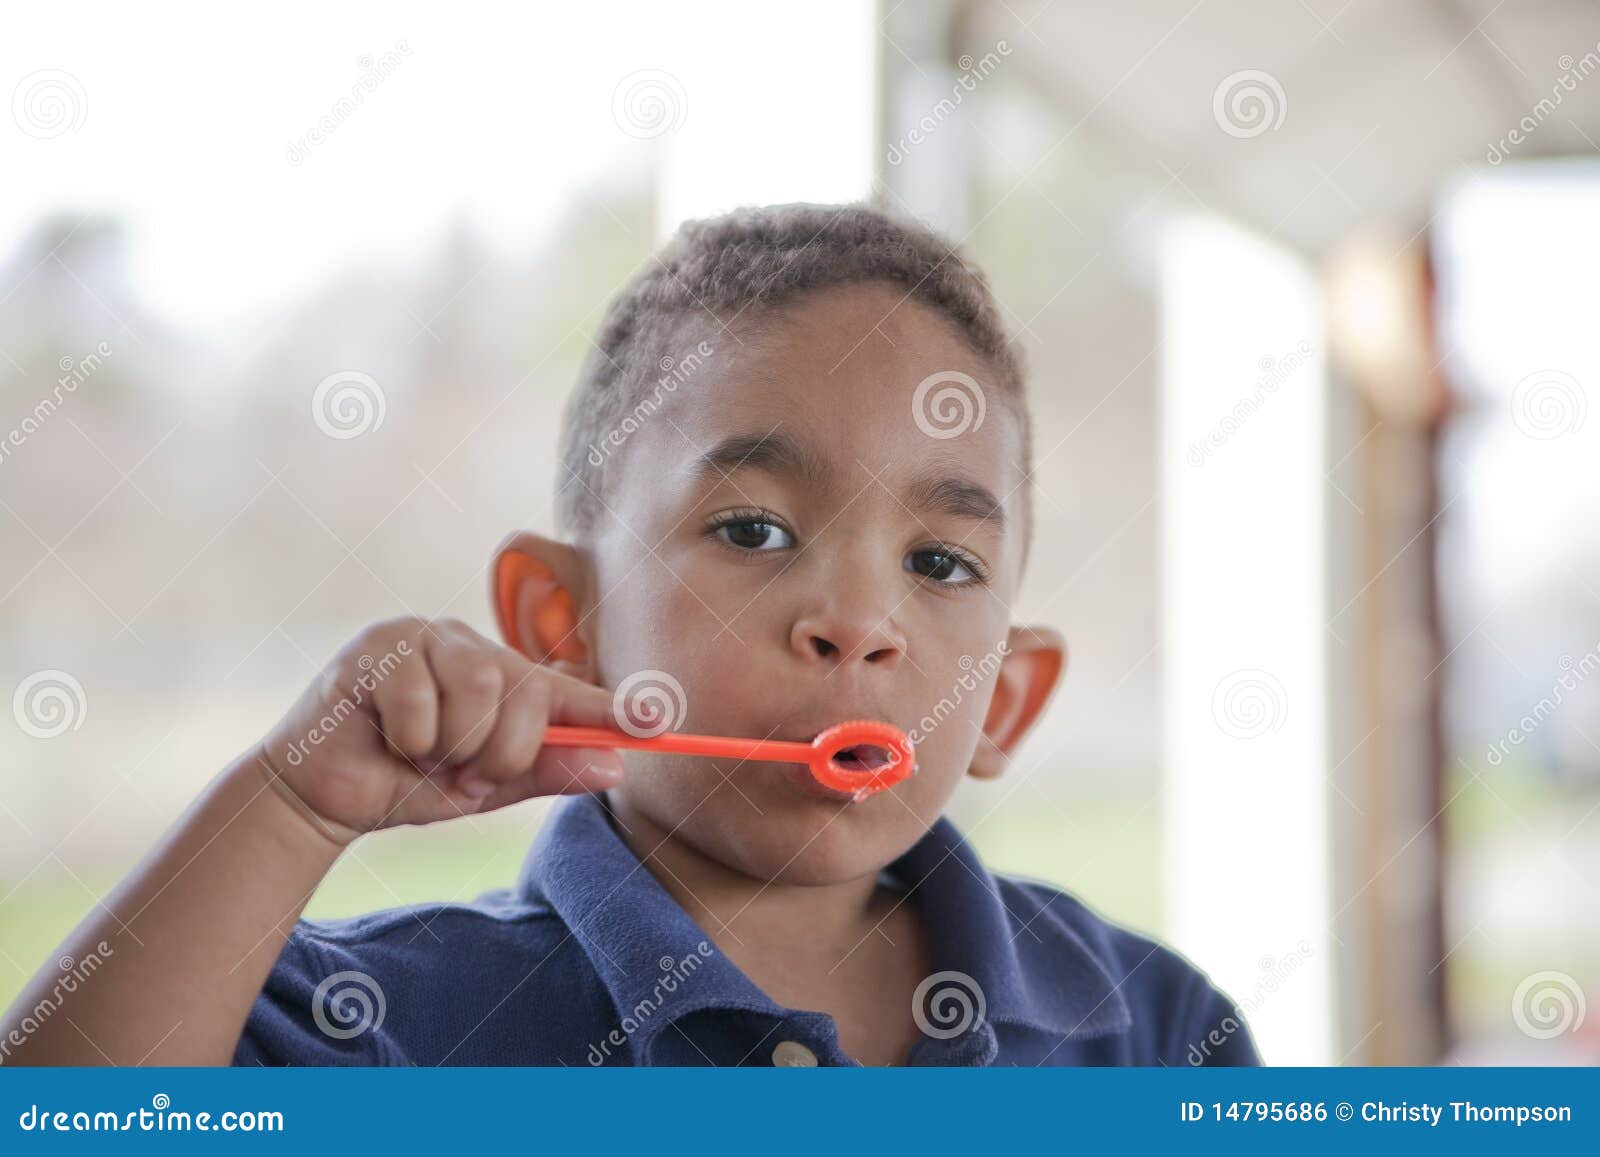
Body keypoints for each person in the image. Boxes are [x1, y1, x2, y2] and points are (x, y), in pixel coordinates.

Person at [2, 203, 1258, 1067]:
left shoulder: (1146, 1027)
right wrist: (286, 807)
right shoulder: (379, 1020)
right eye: (755, 530)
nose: (858, 623)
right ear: (564, 623)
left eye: (938, 562)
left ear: (1002, 703)